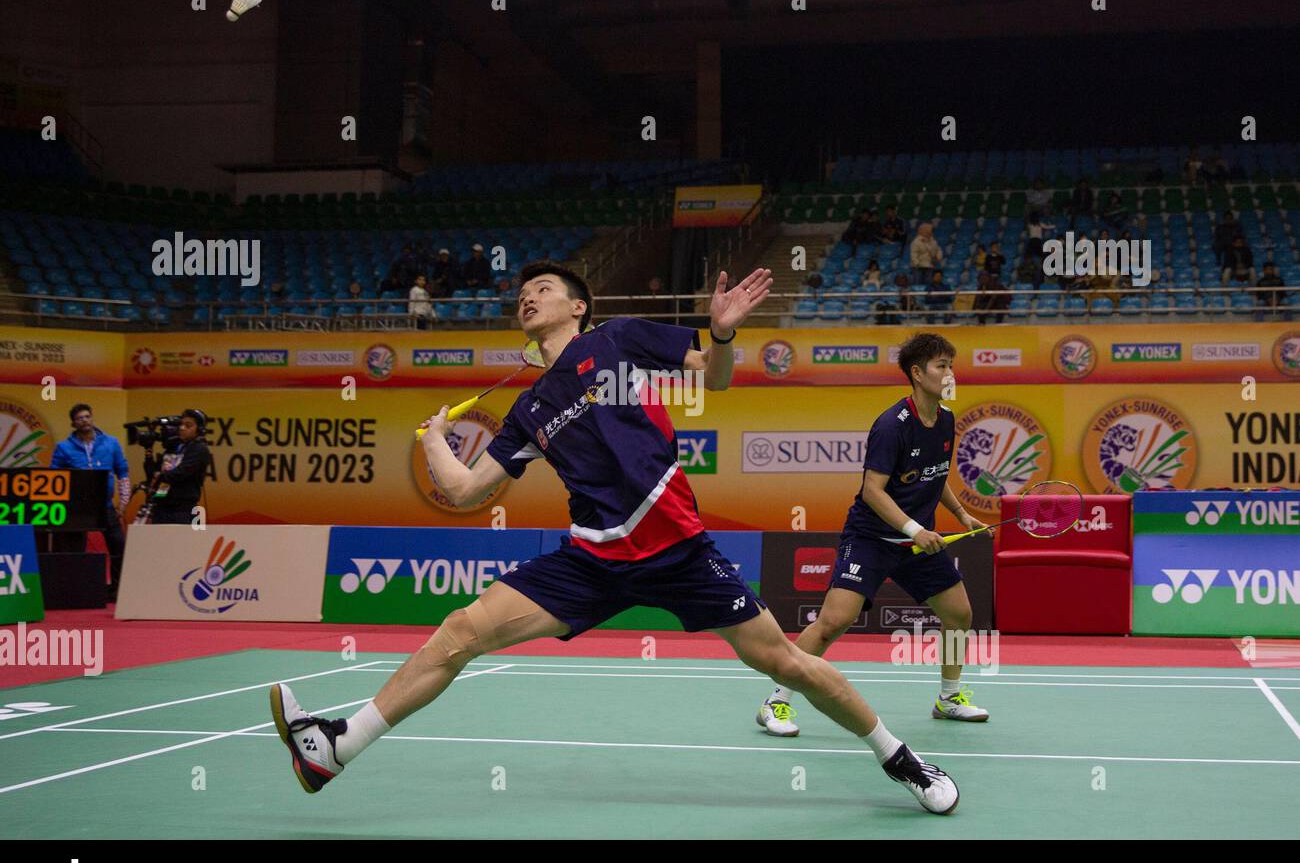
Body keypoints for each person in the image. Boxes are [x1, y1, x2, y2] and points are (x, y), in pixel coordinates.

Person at [268, 261, 960, 815]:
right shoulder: (530, 406)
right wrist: (438, 441)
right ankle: (335, 749)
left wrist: (719, 336)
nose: (528, 297)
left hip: (679, 549)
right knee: (459, 633)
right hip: (593, 559)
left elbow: (712, 379)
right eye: (523, 292)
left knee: (785, 663)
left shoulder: (618, 341)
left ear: (578, 307)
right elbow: (466, 490)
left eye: (544, 288)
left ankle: (900, 758)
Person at [755, 333, 989, 739]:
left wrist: (961, 513)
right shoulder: (891, 426)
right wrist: (916, 529)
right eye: (941, 366)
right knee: (832, 623)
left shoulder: (946, 420)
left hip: (914, 541)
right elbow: (872, 491)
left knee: (959, 613)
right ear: (917, 374)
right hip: (872, 538)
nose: (950, 374)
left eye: (951, 365)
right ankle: (776, 700)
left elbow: (936, 475)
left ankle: (948, 697)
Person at [50, 404, 130, 600]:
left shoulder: (111, 443)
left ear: (92, 418)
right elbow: (54, 477)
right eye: (79, 418)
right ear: (73, 423)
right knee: (75, 550)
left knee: (118, 545)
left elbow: (123, 472)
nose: (84, 420)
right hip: (77, 509)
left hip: (106, 506)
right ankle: (75, 590)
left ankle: (117, 590)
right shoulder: (64, 447)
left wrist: (124, 503)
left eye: (87, 416)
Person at [146, 410, 212, 525]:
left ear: (199, 429)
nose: (182, 428)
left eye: (188, 425)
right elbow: (153, 473)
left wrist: (160, 476)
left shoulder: (199, 449)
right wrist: (148, 452)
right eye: (181, 424)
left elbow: (181, 472)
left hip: (183, 508)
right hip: (161, 502)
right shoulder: (173, 447)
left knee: (183, 542)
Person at [909, 221, 943, 286]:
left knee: (928, 284)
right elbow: (913, 254)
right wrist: (917, 264)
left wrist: (938, 258)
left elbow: (938, 250)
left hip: (929, 266)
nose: (931, 231)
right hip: (918, 267)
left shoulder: (933, 241)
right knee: (917, 284)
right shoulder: (916, 242)